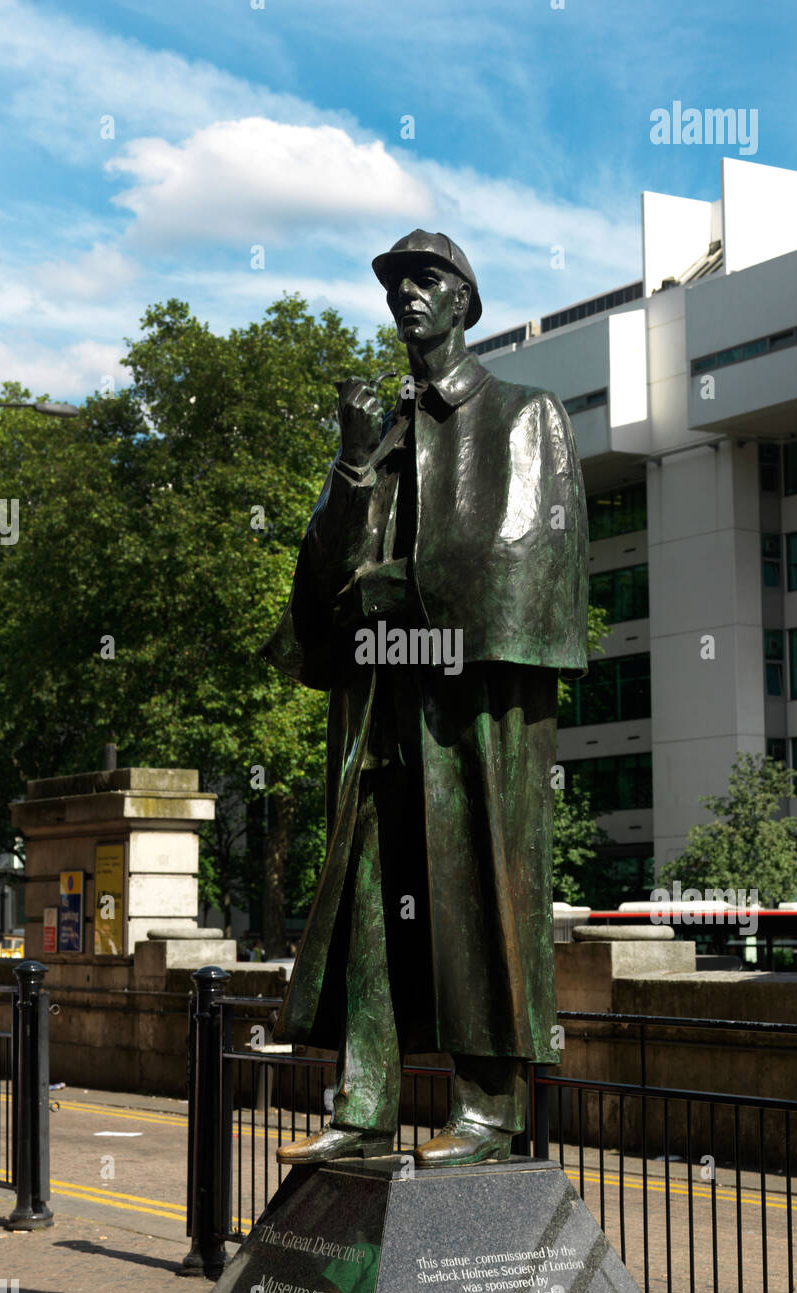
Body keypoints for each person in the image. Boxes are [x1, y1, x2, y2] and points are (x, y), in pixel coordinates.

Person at [261, 230, 588, 1166]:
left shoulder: (525, 416)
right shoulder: (386, 438)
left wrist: (403, 588)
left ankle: (489, 1109)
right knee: (372, 889)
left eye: (428, 279)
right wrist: (352, 464)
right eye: (396, 281)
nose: (409, 293)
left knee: (478, 886)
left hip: (466, 706)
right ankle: (364, 1105)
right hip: (380, 704)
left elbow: (531, 566)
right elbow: (319, 585)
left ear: (464, 302)